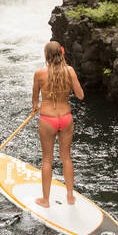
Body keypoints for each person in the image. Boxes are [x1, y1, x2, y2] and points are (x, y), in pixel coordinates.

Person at [31, 41, 84, 207]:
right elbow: (80, 95)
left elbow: (34, 100)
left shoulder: (39, 74)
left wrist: (36, 107)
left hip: (47, 119)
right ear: (61, 54)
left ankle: (45, 200)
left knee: (47, 160)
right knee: (66, 157)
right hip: (66, 118)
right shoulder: (70, 71)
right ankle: (70, 196)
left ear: (46, 55)